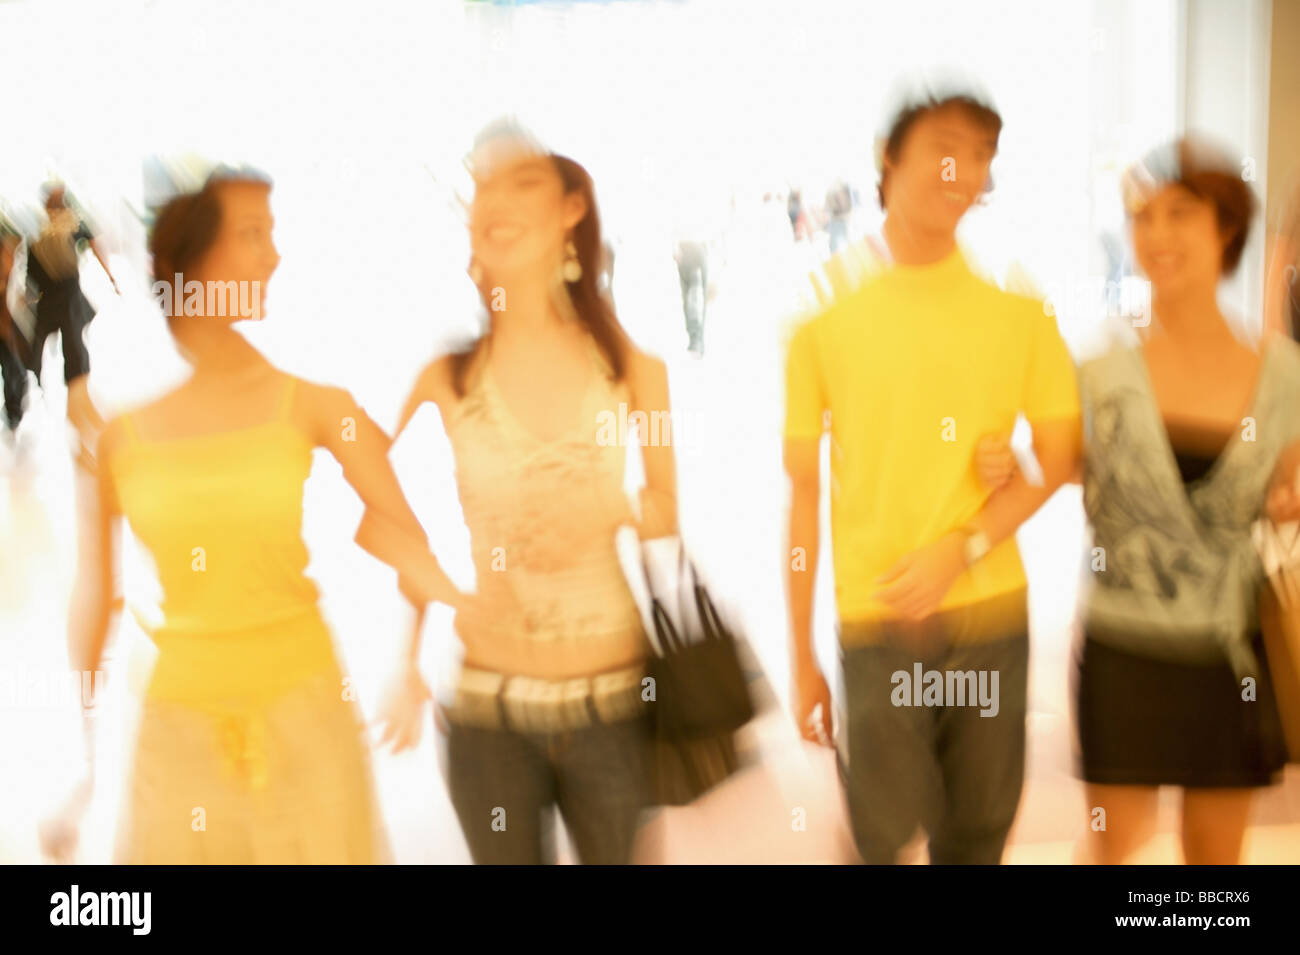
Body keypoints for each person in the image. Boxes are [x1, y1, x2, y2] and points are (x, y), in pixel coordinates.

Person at [54, 169, 463, 864]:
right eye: (253, 234)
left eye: (271, 235)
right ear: (188, 260)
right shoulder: (115, 425)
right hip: (175, 726)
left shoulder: (313, 402)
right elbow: (97, 590)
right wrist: (83, 758)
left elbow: (404, 530)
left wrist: (410, 659)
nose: (273, 256)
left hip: (304, 712)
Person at [783, 81, 1082, 864]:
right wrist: (801, 654)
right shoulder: (823, 312)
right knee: (881, 835)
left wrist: (967, 544)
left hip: (990, 617)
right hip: (878, 617)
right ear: (889, 158)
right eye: (943, 150)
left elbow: (1056, 460)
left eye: (980, 155)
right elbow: (804, 493)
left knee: (978, 834)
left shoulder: (1016, 307)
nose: (963, 171)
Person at [366, 121, 678, 864]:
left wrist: (615, 509)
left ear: (574, 207)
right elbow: (374, 507)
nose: (495, 198)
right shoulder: (446, 374)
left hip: (616, 708)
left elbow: (666, 511)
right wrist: (423, 628)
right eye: (482, 185)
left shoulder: (633, 368)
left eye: (523, 182)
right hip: (488, 716)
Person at [983, 138, 1300, 864]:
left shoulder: (1284, 377)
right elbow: (1065, 465)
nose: (1155, 234)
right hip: (1123, 651)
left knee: (1215, 867)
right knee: (1112, 848)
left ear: (1226, 227)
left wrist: (1290, 500)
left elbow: (1288, 487)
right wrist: (1010, 461)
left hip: (1228, 654)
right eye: (1141, 216)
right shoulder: (1098, 369)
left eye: (1178, 213)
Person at [23, 183, 118, 437]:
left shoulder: (41, 232)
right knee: (73, 349)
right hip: (66, 296)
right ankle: (74, 402)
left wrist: (28, 296)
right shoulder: (68, 225)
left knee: (58, 347)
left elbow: (30, 272)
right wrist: (110, 277)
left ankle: (67, 399)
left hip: (53, 297)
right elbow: (96, 245)